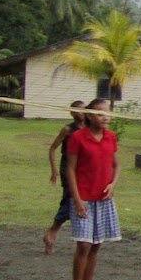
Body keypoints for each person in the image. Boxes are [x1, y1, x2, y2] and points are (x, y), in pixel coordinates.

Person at [62, 98, 119, 280]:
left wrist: (113, 184)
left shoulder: (110, 137)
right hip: (83, 197)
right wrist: (76, 199)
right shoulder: (78, 137)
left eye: (108, 113)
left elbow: (116, 164)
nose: (105, 117)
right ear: (89, 115)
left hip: (103, 199)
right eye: (100, 114)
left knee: (96, 245)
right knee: (83, 245)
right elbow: (70, 169)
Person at [42, 101, 87, 254]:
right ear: (71, 113)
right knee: (70, 199)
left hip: (83, 169)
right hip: (68, 169)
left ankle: (55, 232)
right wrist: (54, 170)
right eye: (75, 111)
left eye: (81, 110)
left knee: (80, 200)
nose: (79, 113)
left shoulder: (89, 129)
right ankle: (52, 232)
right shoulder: (68, 130)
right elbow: (52, 149)